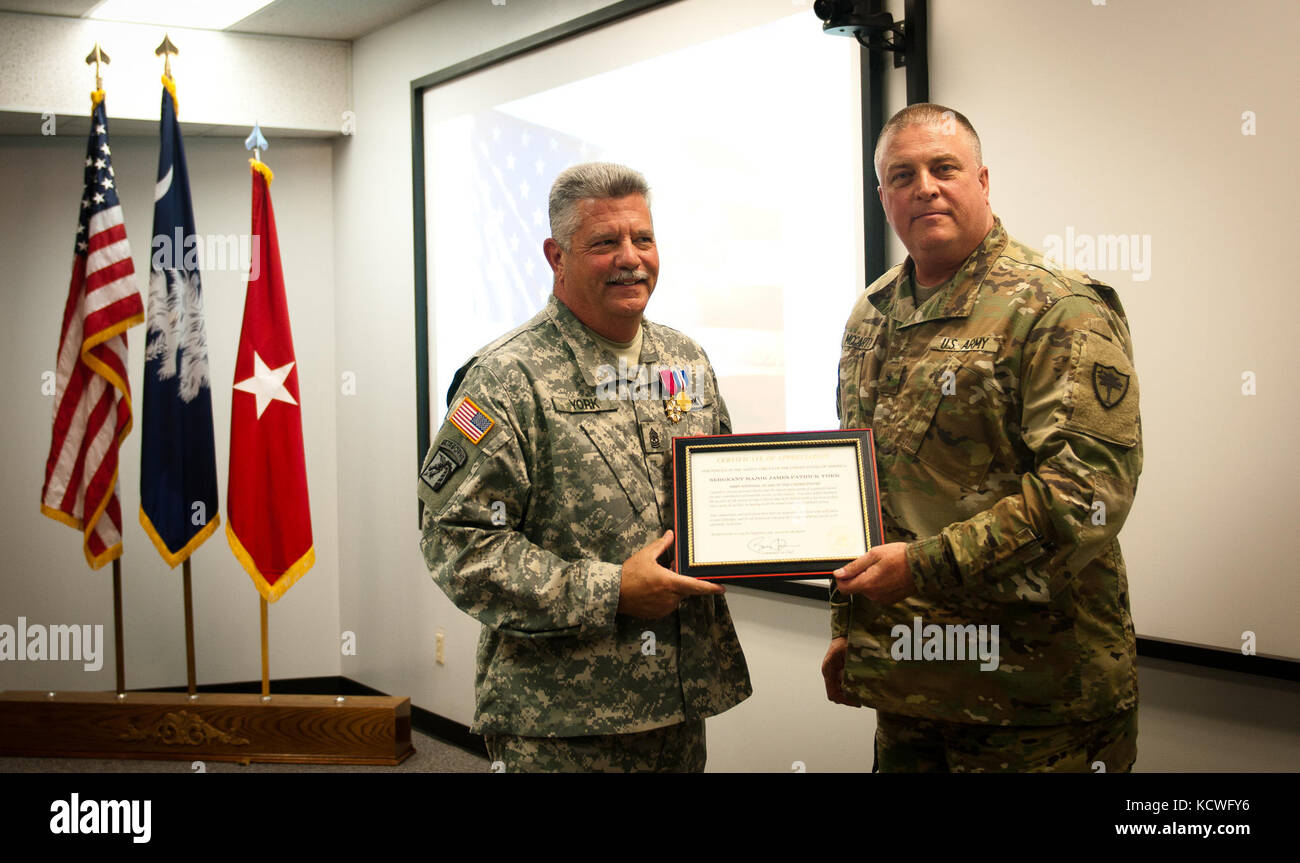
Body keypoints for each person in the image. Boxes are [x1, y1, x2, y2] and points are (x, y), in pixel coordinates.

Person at [822, 104, 1142, 772]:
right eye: (902, 175)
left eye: (944, 168)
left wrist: (921, 567)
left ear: (984, 180)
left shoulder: (1057, 306)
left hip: (1035, 700)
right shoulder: (871, 315)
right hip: (910, 684)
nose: (925, 187)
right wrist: (848, 624)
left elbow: (1085, 497)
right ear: (883, 196)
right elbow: (861, 489)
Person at [419, 162, 751, 772]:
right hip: (561, 720)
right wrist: (611, 589)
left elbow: (720, 488)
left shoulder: (684, 358)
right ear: (557, 256)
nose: (631, 258)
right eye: (605, 243)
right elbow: (455, 542)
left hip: (678, 702)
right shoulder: (505, 377)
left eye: (643, 239)